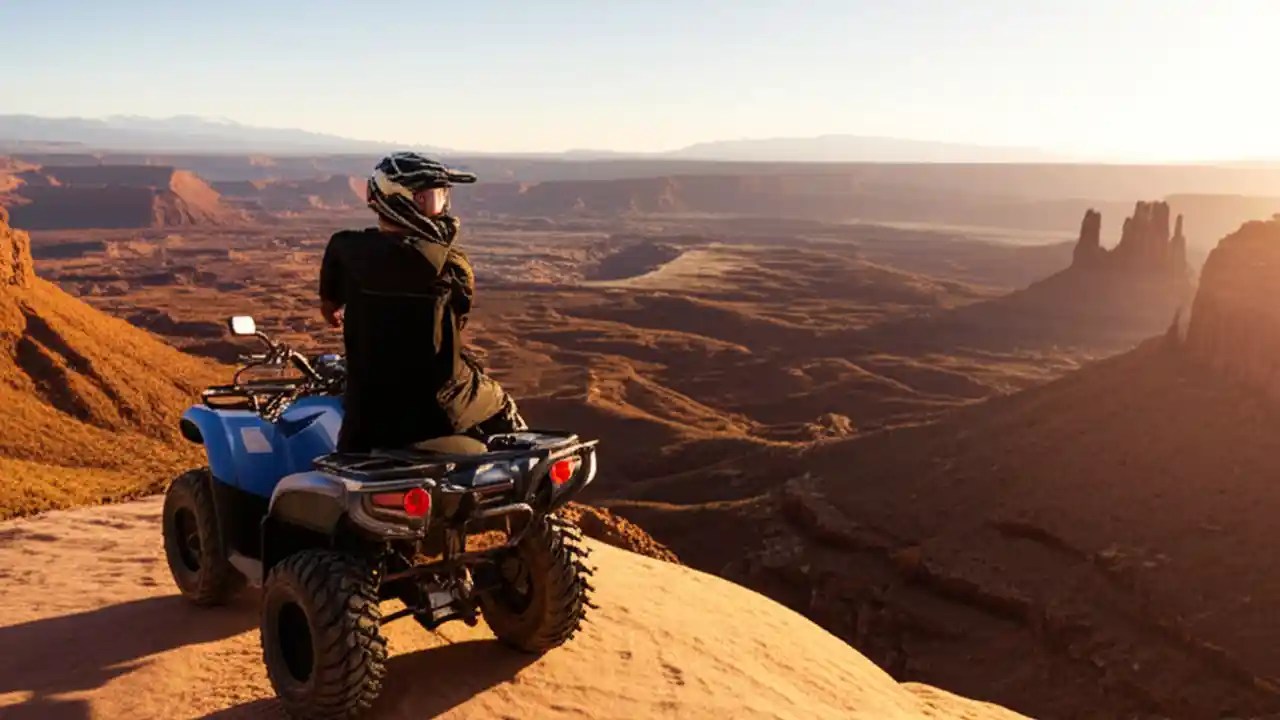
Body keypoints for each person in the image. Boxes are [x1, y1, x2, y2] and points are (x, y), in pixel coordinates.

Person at [318, 152, 526, 453]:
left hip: (363, 425)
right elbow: (459, 316)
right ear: (408, 202)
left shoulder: (343, 250)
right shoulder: (450, 264)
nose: (440, 206)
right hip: (439, 412)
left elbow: (330, 307)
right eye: (431, 197)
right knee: (499, 400)